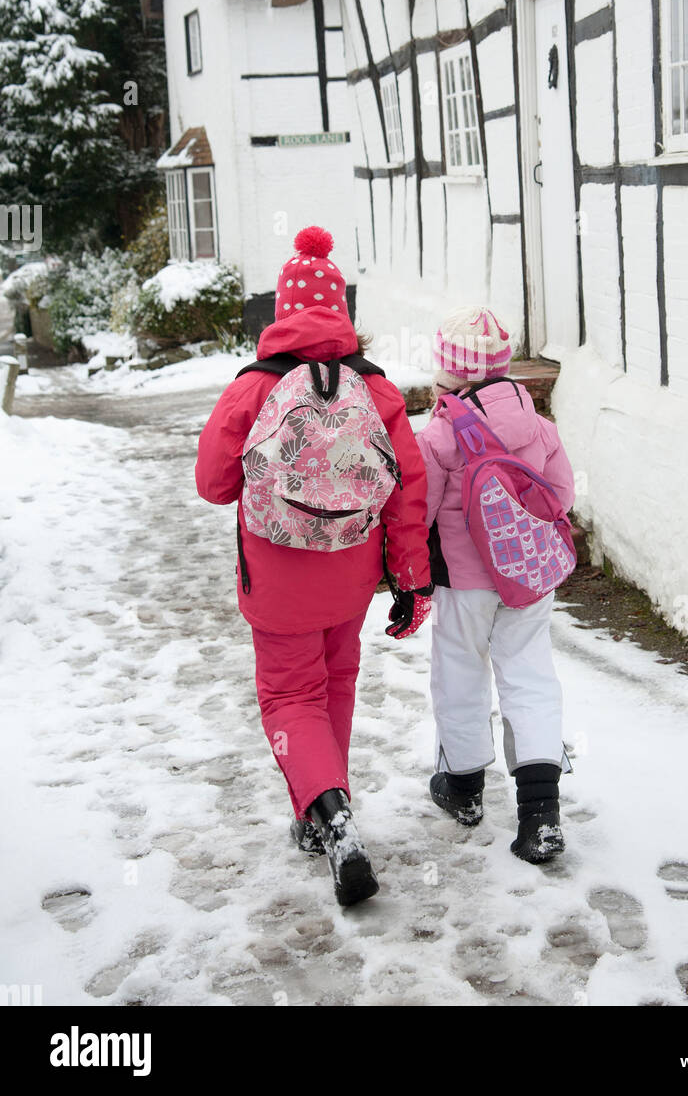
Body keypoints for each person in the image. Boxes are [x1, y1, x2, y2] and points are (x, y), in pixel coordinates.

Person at [195, 227, 432, 906]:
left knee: (289, 695)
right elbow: (406, 490)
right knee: (335, 682)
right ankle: (326, 806)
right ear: (340, 311)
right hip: (350, 574)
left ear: (281, 313)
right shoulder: (376, 389)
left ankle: (328, 815)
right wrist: (411, 580)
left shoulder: (255, 387)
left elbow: (213, 484)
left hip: (275, 578)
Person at [416, 306, 575, 863]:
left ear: (452, 374)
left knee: (459, 673)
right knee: (529, 676)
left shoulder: (438, 435)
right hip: (528, 577)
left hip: (463, 584)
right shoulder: (538, 425)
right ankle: (540, 815)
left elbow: (420, 512)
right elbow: (562, 496)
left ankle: (462, 789)